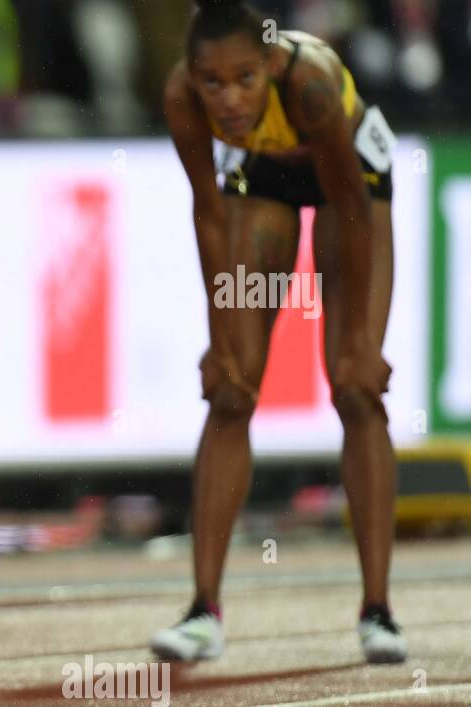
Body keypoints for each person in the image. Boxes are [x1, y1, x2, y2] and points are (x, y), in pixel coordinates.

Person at [150, 0, 407, 664]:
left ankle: (377, 612)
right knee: (232, 388)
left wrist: (360, 341)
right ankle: (203, 610)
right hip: (262, 176)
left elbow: (350, 209)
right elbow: (208, 212)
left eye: (243, 79)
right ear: (192, 75)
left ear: (268, 64)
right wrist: (218, 337)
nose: (227, 99)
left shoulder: (310, 83)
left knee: (353, 386)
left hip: (350, 177)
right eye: (212, 82)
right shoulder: (182, 96)